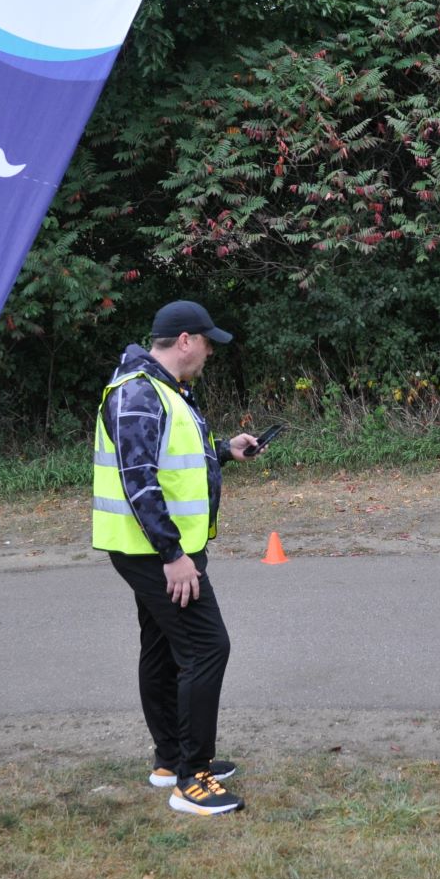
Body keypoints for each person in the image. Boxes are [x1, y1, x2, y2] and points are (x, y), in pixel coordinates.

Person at [93, 299, 261, 815]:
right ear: (184, 340)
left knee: (165, 649)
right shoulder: (140, 392)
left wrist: (223, 448)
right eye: (207, 341)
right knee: (208, 648)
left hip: (157, 548)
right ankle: (193, 777)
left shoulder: (160, 390)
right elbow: (137, 478)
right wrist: (172, 555)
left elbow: (169, 453)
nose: (211, 351)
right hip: (155, 551)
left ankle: (170, 760)